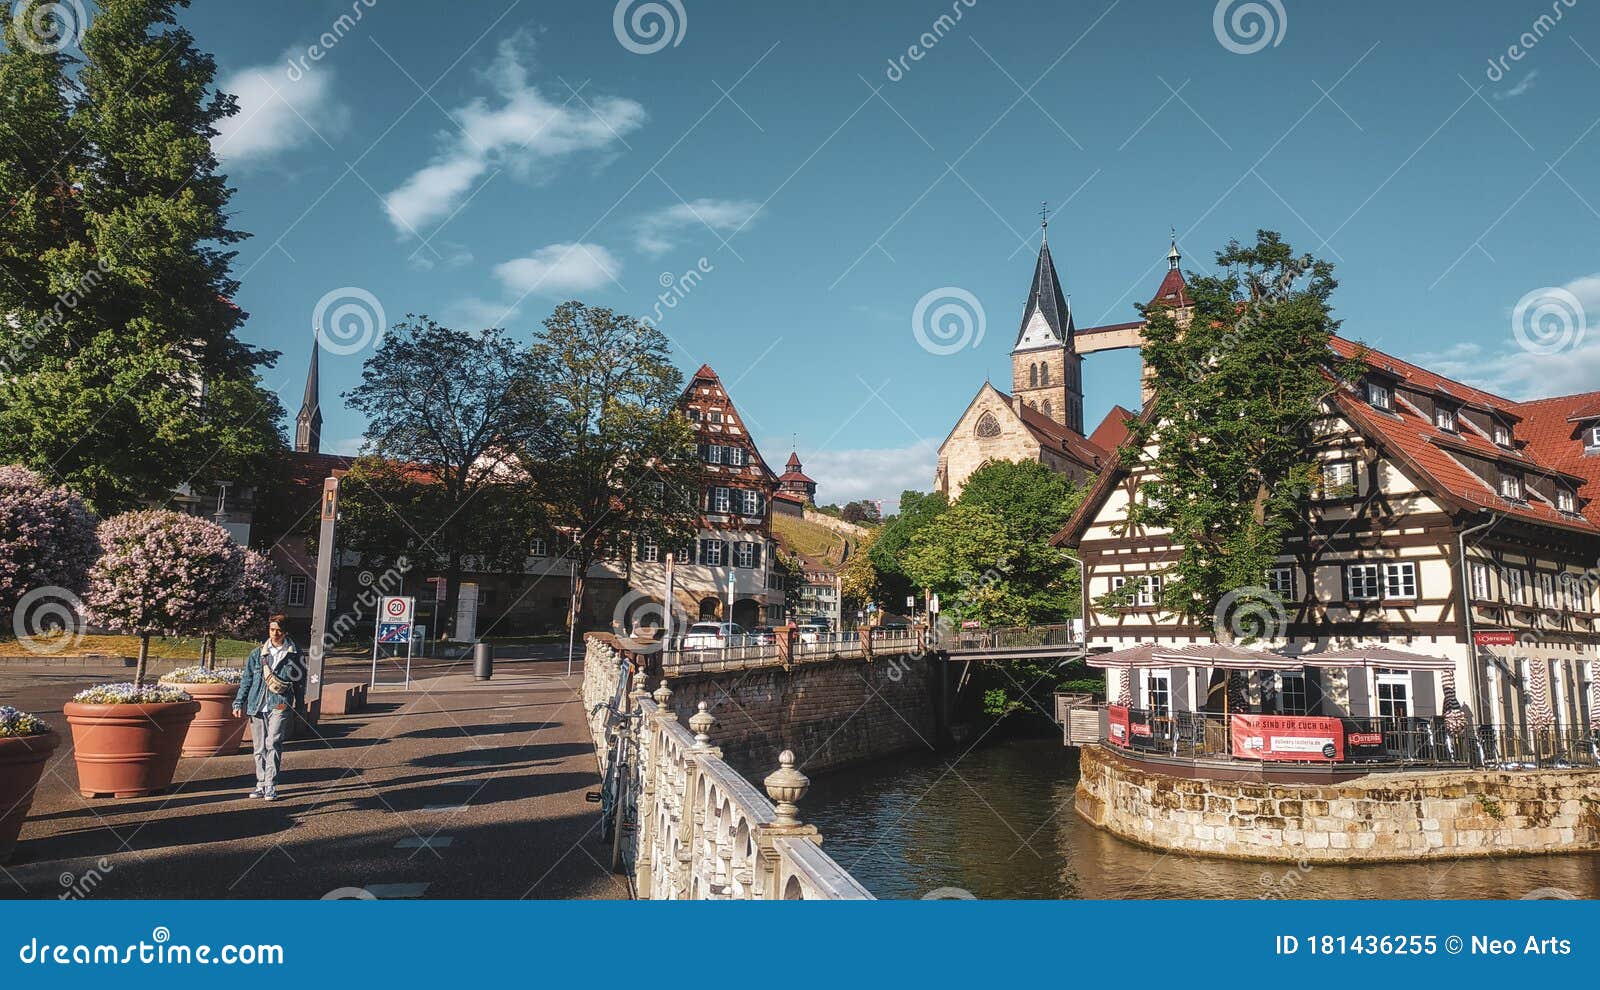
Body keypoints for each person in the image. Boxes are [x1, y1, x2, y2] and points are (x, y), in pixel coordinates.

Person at [231, 614, 305, 801]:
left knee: (273, 742)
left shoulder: (294, 653)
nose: (275, 634)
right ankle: (261, 784)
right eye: (272, 630)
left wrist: (300, 706)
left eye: (279, 630)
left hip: (279, 703)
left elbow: (300, 682)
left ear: (285, 632)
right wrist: (239, 702)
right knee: (259, 748)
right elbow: (247, 680)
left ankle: (271, 785)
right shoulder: (257, 654)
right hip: (257, 704)